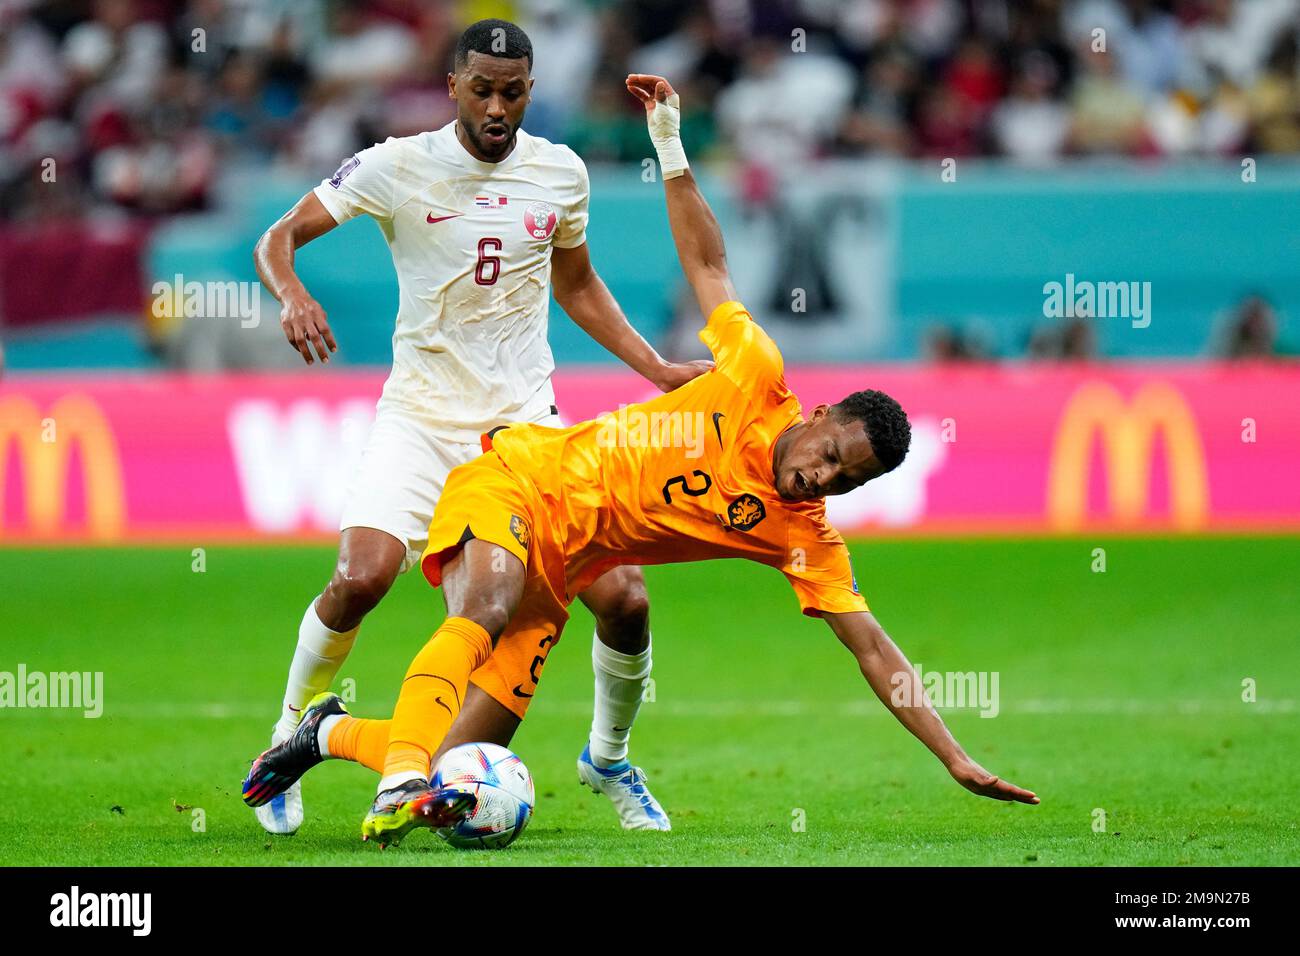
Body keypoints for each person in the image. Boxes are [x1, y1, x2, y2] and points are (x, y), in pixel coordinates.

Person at [244, 73, 1039, 847]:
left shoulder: (803, 534)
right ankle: (397, 782)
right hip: (520, 474)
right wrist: (672, 149)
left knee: (469, 757)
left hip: (565, 566)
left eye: (845, 480)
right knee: (479, 608)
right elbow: (708, 265)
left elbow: (874, 647)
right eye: (831, 455)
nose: (822, 477)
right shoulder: (754, 375)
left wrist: (954, 755)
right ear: (820, 416)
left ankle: (330, 734)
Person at [248, 20, 708, 836]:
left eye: (515, 91)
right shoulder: (396, 164)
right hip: (421, 418)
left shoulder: (560, 174)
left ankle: (608, 759)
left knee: (624, 597)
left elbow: (578, 286)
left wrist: (662, 372)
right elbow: (278, 237)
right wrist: (291, 292)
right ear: (453, 85)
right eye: (484, 89)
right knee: (360, 579)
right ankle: (288, 734)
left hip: (525, 429)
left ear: (531, 90)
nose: (499, 107)